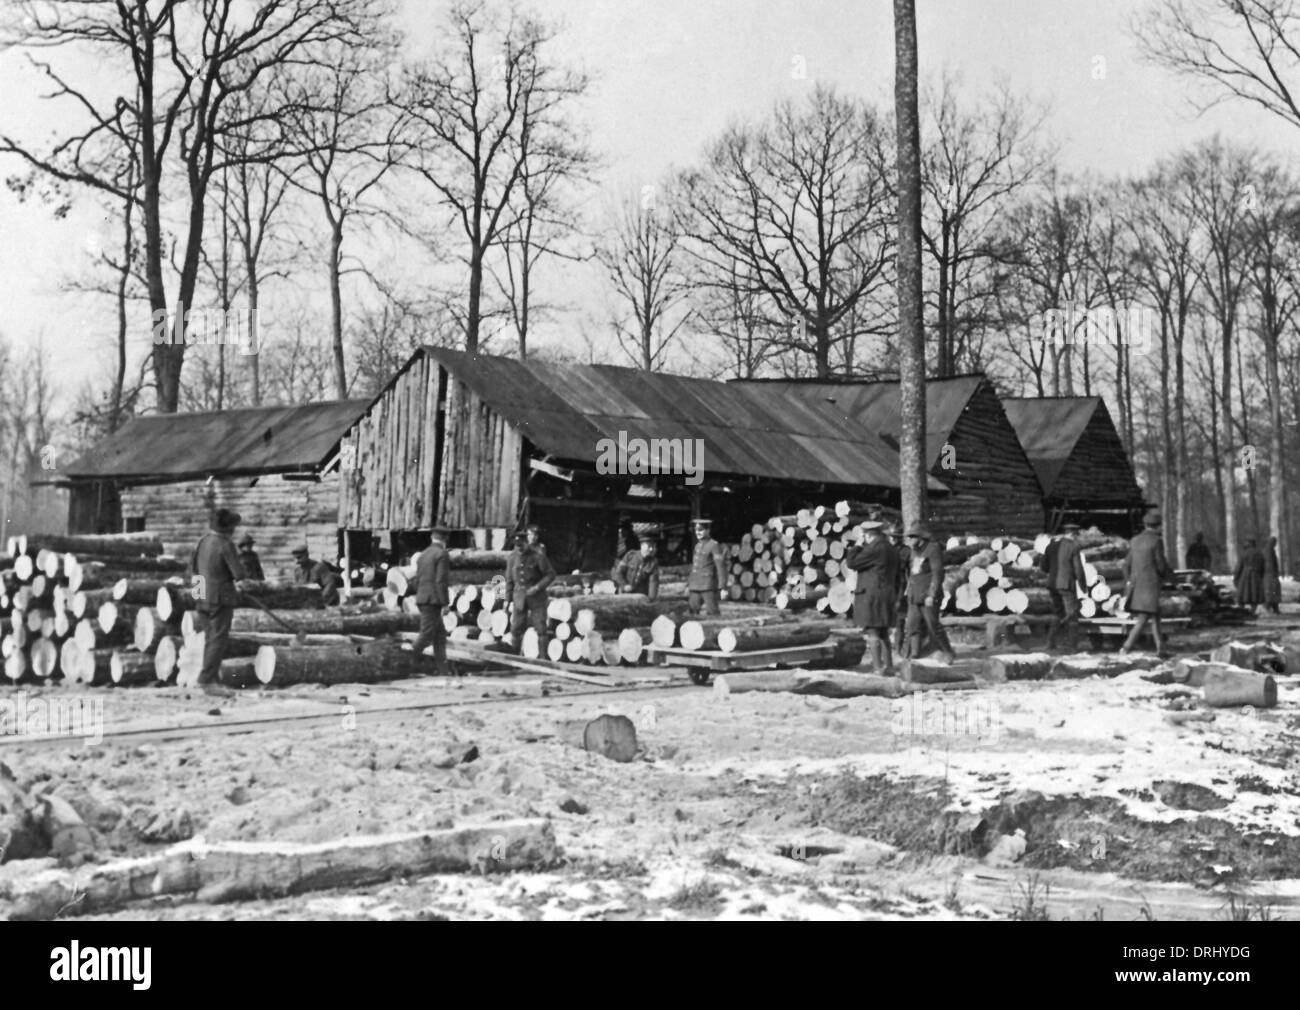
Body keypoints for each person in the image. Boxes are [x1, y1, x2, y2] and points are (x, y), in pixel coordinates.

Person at [188, 508, 248, 692]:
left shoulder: (203, 542)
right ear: (228, 527)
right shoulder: (225, 544)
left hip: (202, 598)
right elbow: (238, 574)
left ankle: (208, 677)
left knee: (209, 638)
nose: (234, 530)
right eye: (233, 527)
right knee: (218, 640)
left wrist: (198, 598)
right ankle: (206, 681)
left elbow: (193, 570)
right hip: (220, 599)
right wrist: (242, 580)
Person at [844, 521, 899, 674]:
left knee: (873, 632)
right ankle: (889, 667)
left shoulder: (874, 548)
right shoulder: (891, 548)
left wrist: (857, 545)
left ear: (868, 534)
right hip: (886, 594)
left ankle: (878, 668)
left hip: (872, 595)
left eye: (864, 536)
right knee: (883, 633)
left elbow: (852, 562)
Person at [1120, 510, 1172, 655]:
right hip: (1150, 586)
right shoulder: (1156, 541)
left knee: (1155, 615)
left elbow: (1126, 565)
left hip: (1136, 585)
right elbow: (1161, 565)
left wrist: (1128, 581)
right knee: (1144, 617)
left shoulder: (1135, 540)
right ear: (1157, 526)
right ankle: (1126, 647)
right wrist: (1168, 576)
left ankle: (1161, 649)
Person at [903, 523, 954, 661]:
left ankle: (947, 652)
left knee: (933, 626)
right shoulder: (913, 550)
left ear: (920, 538)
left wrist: (932, 594)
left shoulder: (933, 549)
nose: (910, 540)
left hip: (928, 595)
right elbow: (912, 572)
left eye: (913, 537)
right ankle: (912, 654)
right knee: (912, 625)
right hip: (914, 595)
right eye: (909, 537)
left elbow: (937, 574)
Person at [411, 529, 454, 676]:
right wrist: (445, 603)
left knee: (440, 636)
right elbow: (441, 580)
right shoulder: (441, 554)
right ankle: (407, 660)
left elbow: (417, 580)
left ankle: (444, 671)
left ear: (432, 537)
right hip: (433, 600)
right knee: (426, 634)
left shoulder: (422, 555)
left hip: (423, 598)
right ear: (445, 539)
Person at [1039, 522, 1086, 652]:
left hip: (1052, 584)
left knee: (1057, 613)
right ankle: (1072, 647)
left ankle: (1050, 643)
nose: (1077, 538)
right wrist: (1083, 587)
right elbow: (1078, 570)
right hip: (1065, 585)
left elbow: (1043, 567)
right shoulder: (1073, 547)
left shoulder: (1051, 545)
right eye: (1076, 535)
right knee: (1072, 615)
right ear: (1072, 534)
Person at [506, 528, 556, 649]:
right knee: (516, 629)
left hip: (537, 598)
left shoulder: (538, 556)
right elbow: (508, 580)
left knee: (541, 629)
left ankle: (543, 660)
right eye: (517, 547)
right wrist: (507, 599)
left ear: (526, 543)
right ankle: (515, 661)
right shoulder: (512, 558)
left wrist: (538, 587)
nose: (520, 549)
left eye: (522, 546)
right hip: (519, 598)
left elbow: (551, 574)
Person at [686, 517, 728, 616]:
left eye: (701, 530)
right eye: (696, 530)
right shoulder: (697, 546)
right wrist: (689, 584)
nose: (697, 532)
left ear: (708, 530)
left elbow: (720, 567)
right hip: (695, 586)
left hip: (708, 586)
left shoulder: (714, 545)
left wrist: (723, 587)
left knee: (713, 612)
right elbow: (695, 567)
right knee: (692, 613)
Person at [613, 530, 661, 599]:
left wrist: (651, 599)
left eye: (654, 547)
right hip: (624, 593)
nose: (651, 549)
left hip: (640, 596)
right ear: (642, 546)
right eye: (649, 546)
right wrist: (624, 585)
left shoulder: (653, 562)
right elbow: (618, 572)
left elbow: (653, 582)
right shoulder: (630, 555)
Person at [886, 523, 910, 656]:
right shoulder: (885, 550)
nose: (894, 539)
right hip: (886, 587)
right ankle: (887, 649)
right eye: (892, 537)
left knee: (900, 620)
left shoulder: (906, 552)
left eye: (896, 537)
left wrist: (905, 592)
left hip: (900, 588)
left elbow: (910, 574)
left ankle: (898, 649)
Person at [1235, 537, 1265, 615]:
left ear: (1249, 543)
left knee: (1242, 594)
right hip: (1256, 575)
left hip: (1245, 575)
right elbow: (1262, 567)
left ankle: (1242, 610)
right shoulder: (1259, 553)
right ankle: (1252, 611)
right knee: (1254, 595)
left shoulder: (1244, 553)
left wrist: (1236, 577)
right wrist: (1260, 576)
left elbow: (1239, 567)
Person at [1264, 536, 1282, 615]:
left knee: (1274, 591)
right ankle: (1269, 606)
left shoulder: (1270, 550)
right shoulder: (1269, 551)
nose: (1275, 544)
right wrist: (1274, 572)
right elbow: (1270, 563)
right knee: (1272, 591)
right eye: (1274, 542)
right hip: (1270, 574)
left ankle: (1275, 607)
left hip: (1271, 574)